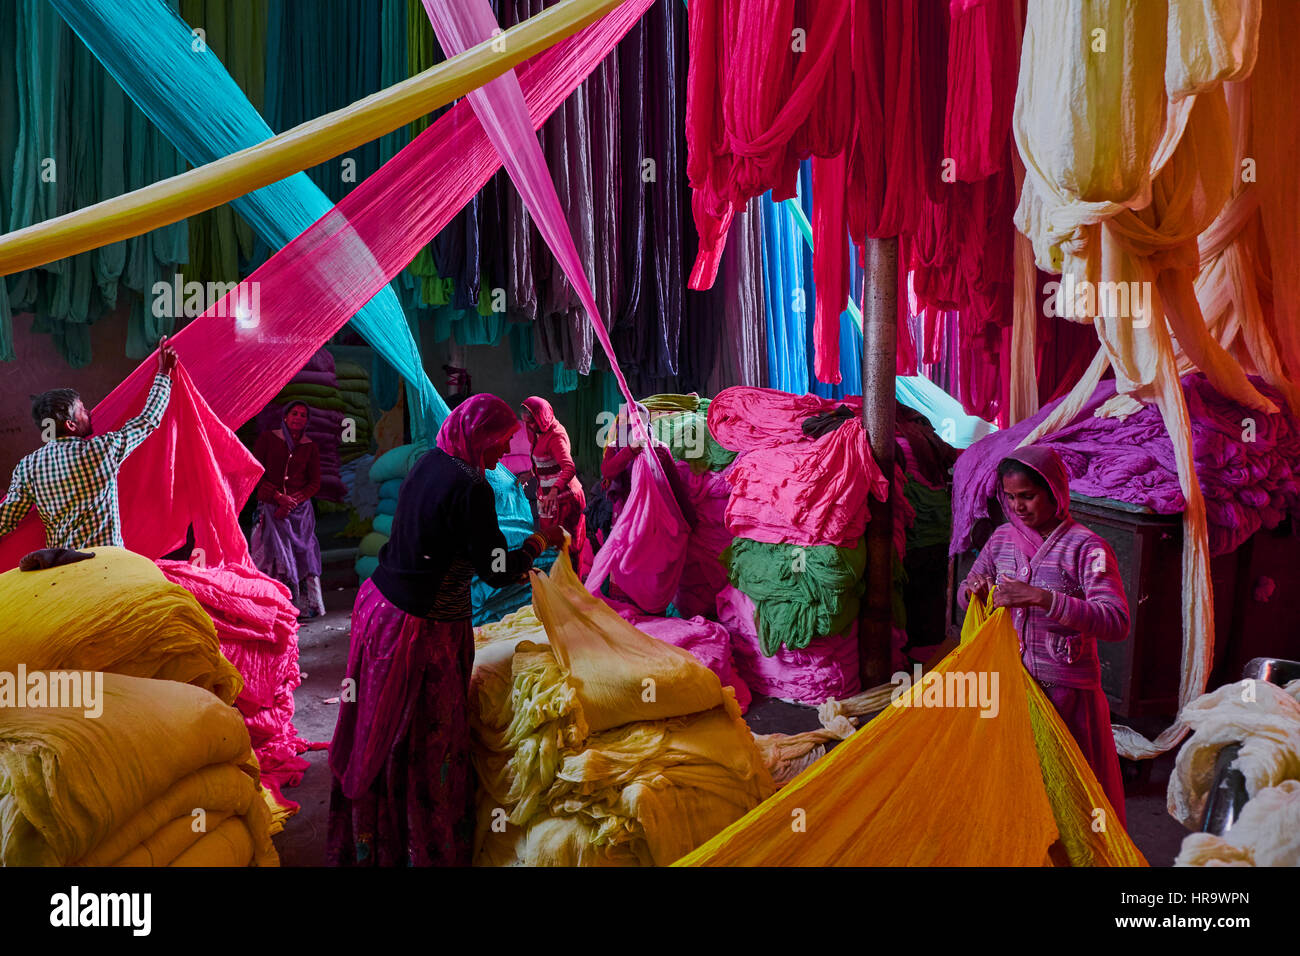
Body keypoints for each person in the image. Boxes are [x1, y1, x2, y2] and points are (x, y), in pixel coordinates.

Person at [328, 394, 565, 867]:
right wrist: (541, 539)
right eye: (497, 444)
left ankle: (369, 839)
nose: (501, 454)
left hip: (379, 607)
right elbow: (496, 567)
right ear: (475, 437)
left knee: (379, 724)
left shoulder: (431, 461)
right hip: (420, 627)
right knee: (424, 740)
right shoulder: (473, 486)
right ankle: (422, 849)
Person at [958, 447, 1130, 826]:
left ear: (1055, 492)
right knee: (1017, 786)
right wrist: (975, 590)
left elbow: (1116, 620)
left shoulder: (1087, 548)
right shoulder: (1001, 539)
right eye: (1011, 497)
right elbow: (966, 588)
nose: (1018, 507)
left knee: (1069, 793)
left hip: (1066, 693)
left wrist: (1044, 598)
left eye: (1028, 496)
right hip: (1012, 687)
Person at [0, 338, 177, 549]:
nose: (89, 413)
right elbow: (146, 421)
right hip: (107, 565)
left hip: (62, 569)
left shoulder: (27, 467)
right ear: (71, 424)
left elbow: (5, 519)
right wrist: (164, 374)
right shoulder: (101, 450)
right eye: (82, 410)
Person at [250, 400, 325, 620]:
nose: (298, 418)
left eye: (303, 415)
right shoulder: (268, 439)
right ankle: (275, 607)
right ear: (285, 416)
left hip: (300, 514)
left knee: (305, 555)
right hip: (271, 510)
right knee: (271, 557)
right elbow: (257, 472)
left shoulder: (310, 446)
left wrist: (294, 500)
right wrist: (277, 497)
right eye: (294, 413)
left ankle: (307, 606)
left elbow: (314, 482)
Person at [599, 402, 696, 528]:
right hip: (623, 517)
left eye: (634, 424)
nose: (628, 428)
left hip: (653, 516)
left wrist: (689, 521)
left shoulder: (660, 449)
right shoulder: (614, 448)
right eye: (623, 423)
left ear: (645, 426)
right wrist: (630, 451)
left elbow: (675, 488)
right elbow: (607, 471)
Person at [519, 396, 586, 566]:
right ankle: (554, 586)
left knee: (566, 548)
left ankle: (569, 589)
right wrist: (530, 474)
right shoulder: (537, 434)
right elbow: (546, 462)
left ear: (541, 418)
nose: (528, 426)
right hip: (548, 499)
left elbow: (568, 468)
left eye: (531, 422)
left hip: (565, 499)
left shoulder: (555, 437)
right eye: (525, 422)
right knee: (550, 547)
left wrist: (555, 490)